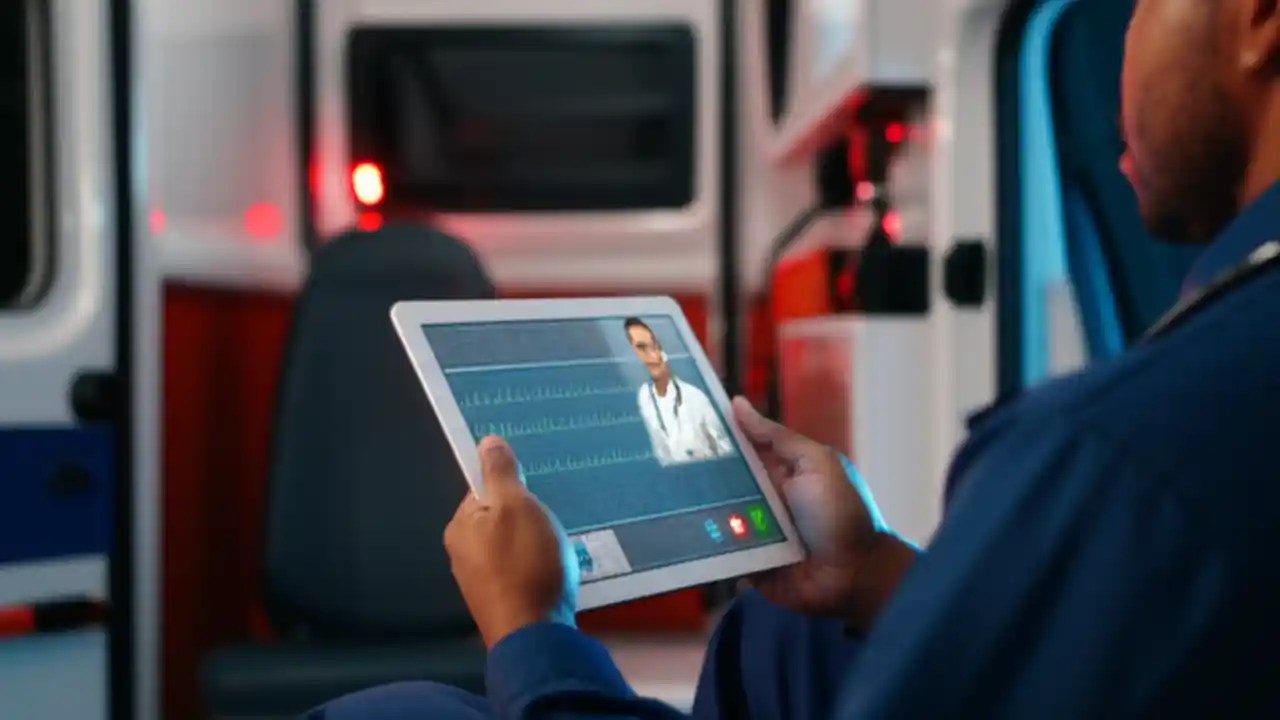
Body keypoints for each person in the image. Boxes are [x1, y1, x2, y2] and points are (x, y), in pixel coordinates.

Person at [313, 1, 1280, 716]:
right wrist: (872, 573)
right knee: (792, 625)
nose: (1121, 42)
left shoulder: (1111, 459)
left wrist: (530, 630)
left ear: (1257, 18)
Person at [624, 317, 734, 466]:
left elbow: (728, 454)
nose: (653, 355)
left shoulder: (696, 398)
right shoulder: (639, 400)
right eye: (642, 348)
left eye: (655, 346)